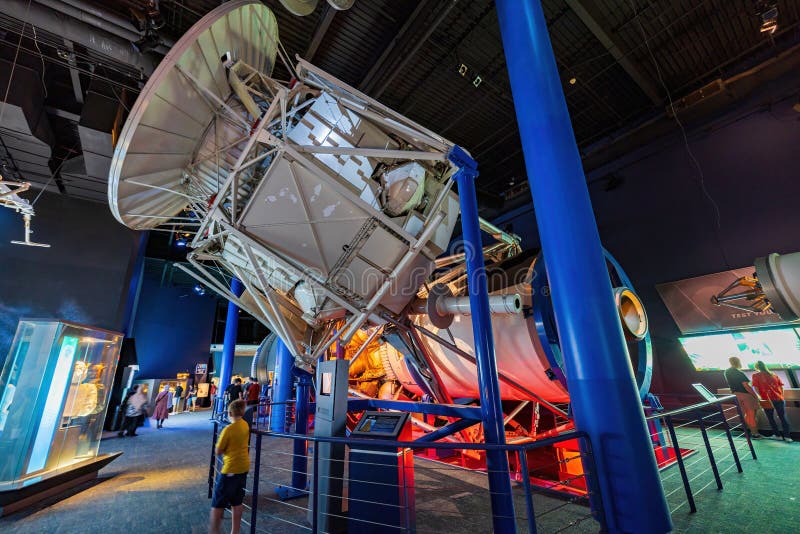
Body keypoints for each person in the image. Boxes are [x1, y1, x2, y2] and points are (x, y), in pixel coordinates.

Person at [209, 399, 250, 534]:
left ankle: (214, 531)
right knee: (237, 502)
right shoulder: (245, 425)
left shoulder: (228, 430)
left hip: (230, 469)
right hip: (243, 467)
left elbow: (218, 451)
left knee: (217, 504)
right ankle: (235, 531)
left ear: (230, 412)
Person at [752, 360, 792, 440]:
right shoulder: (774, 374)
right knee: (783, 417)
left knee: (771, 418)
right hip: (779, 398)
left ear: (756, 367)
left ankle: (778, 436)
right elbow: (781, 387)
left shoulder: (756, 375)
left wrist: (760, 397)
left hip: (767, 399)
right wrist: (781, 396)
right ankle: (788, 437)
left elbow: (755, 388)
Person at [724, 357, 762, 438]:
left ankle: (752, 432)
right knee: (752, 415)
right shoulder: (739, 373)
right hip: (746, 395)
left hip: (736, 395)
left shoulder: (727, 372)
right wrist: (755, 396)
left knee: (747, 414)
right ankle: (755, 433)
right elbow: (746, 386)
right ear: (738, 362)